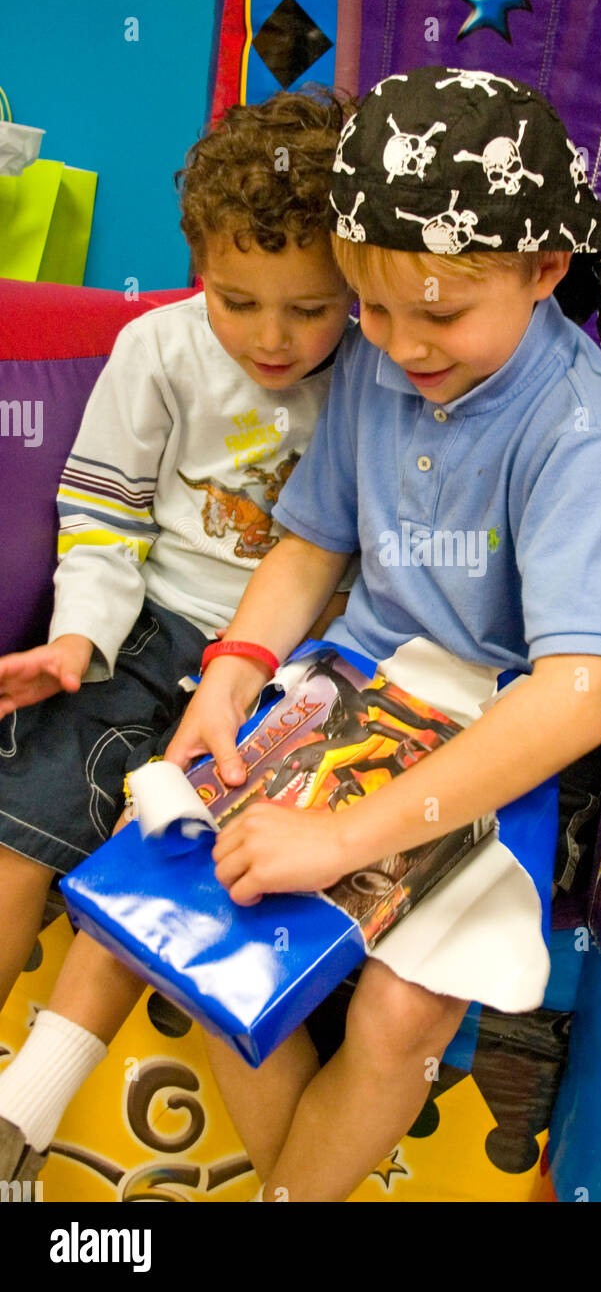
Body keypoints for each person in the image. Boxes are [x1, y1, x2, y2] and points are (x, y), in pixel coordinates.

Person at [159, 66, 601, 1202]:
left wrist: (345, 842)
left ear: (543, 272)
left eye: (437, 312)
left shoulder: (578, 431)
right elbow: (306, 547)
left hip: (496, 733)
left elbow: (571, 699)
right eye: (373, 309)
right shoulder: (380, 362)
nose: (398, 344)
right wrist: (230, 676)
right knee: (199, 919)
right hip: (347, 690)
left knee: (400, 1011)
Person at [0, 89, 356, 1186]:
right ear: (196, 264)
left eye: (310, 307)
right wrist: (78, 640)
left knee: (157, 876)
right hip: (145, 632)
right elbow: (101, 516)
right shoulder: (155, 347)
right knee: (20, 836)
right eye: (238, 301)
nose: (272, 338)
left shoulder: (383, 372)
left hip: (292, 673)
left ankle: (20, 1120)